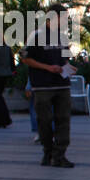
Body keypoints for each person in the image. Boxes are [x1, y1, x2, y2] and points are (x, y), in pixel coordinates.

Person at [21, 17, 74, 167]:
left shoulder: (62, 37)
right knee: (44, 120)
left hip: (62, 84)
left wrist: (68, 67)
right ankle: (48, 151)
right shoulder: (36, 36)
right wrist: (47, 68)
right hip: (43, 85)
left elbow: (65, 58)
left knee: (63, 120)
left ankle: (60, 155)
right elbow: (26, 58)